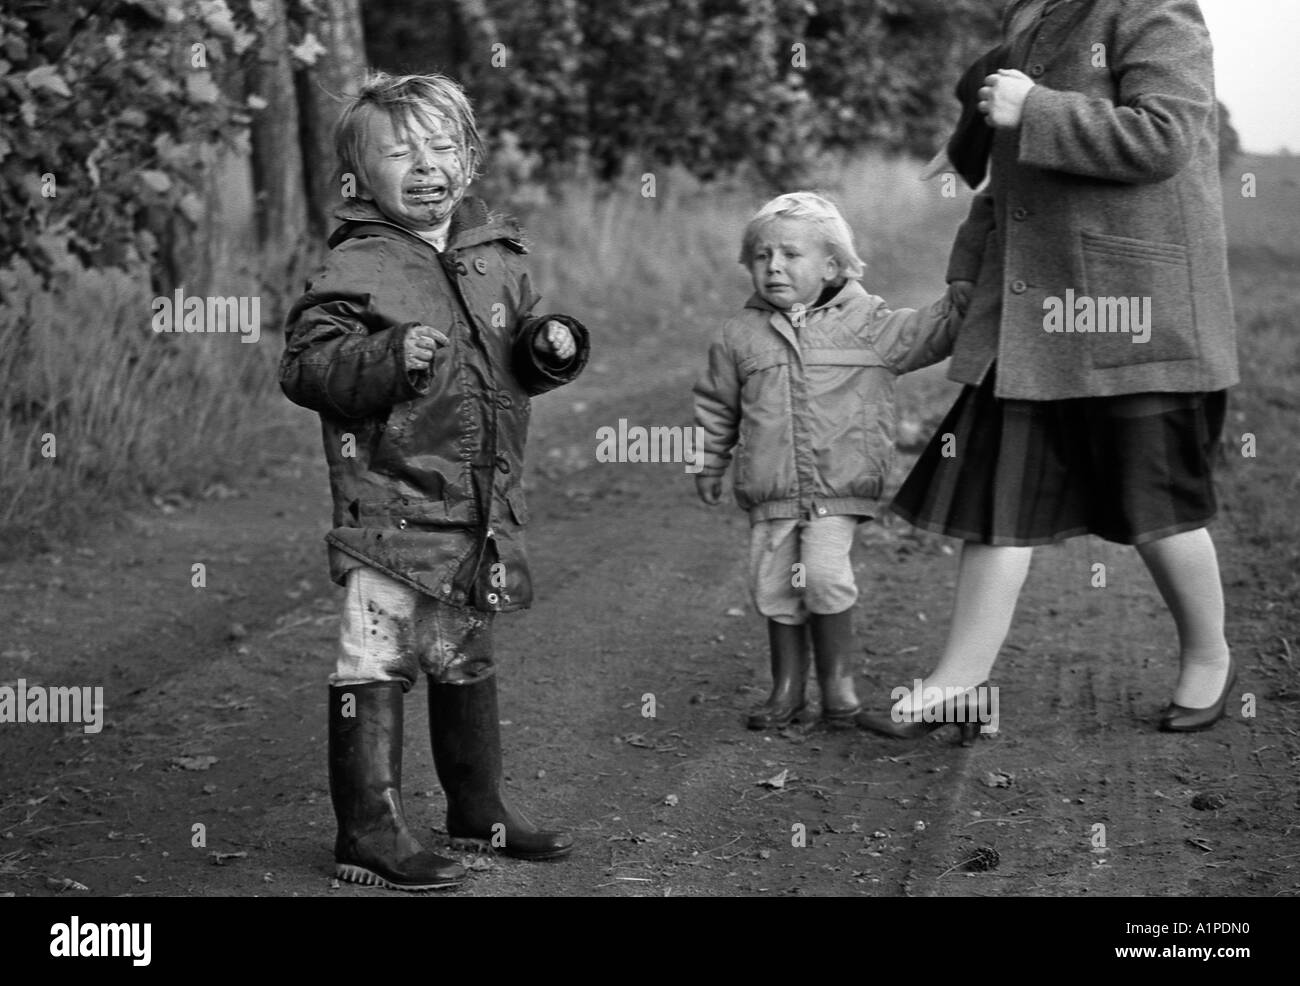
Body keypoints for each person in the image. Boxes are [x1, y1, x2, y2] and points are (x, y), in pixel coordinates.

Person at [856, 0, 1238, 742]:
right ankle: (958, 683)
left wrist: (1035, 106)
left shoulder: (1153, 10)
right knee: (1000, 502)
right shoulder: (1033, 19)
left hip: (1133, 314)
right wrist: (967, 272)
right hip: (1029, 321)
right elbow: (1002, 186)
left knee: (1158, 507)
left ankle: (1208, 655)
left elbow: (1165, 137)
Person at [280, 72, 590, 890]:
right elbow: (306, 368)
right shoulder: (356, 268)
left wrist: (549, 345)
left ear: (471, 158)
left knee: (461, 651)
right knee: (376, 658)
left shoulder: (497, 259)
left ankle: (477, 806)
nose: (425, 164)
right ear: (358, 174)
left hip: (476, 503)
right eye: (400, 151)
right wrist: (385, 358)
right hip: (388, 503)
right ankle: (370, 831)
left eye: (442, 146)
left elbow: (514, 353)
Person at [693, 192, 959, 731]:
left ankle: (838, 686)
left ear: (833, 264)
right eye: (762, 256)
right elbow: (718, 405)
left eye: (791, 255)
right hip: (772, 490)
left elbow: (933, 332)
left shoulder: (870, 324)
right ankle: (787, 690)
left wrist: (970, 293)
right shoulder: (739, 335)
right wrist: (708, 461)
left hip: (840, 484)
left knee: (823, 575)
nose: (773, 267)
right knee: (772, 587)